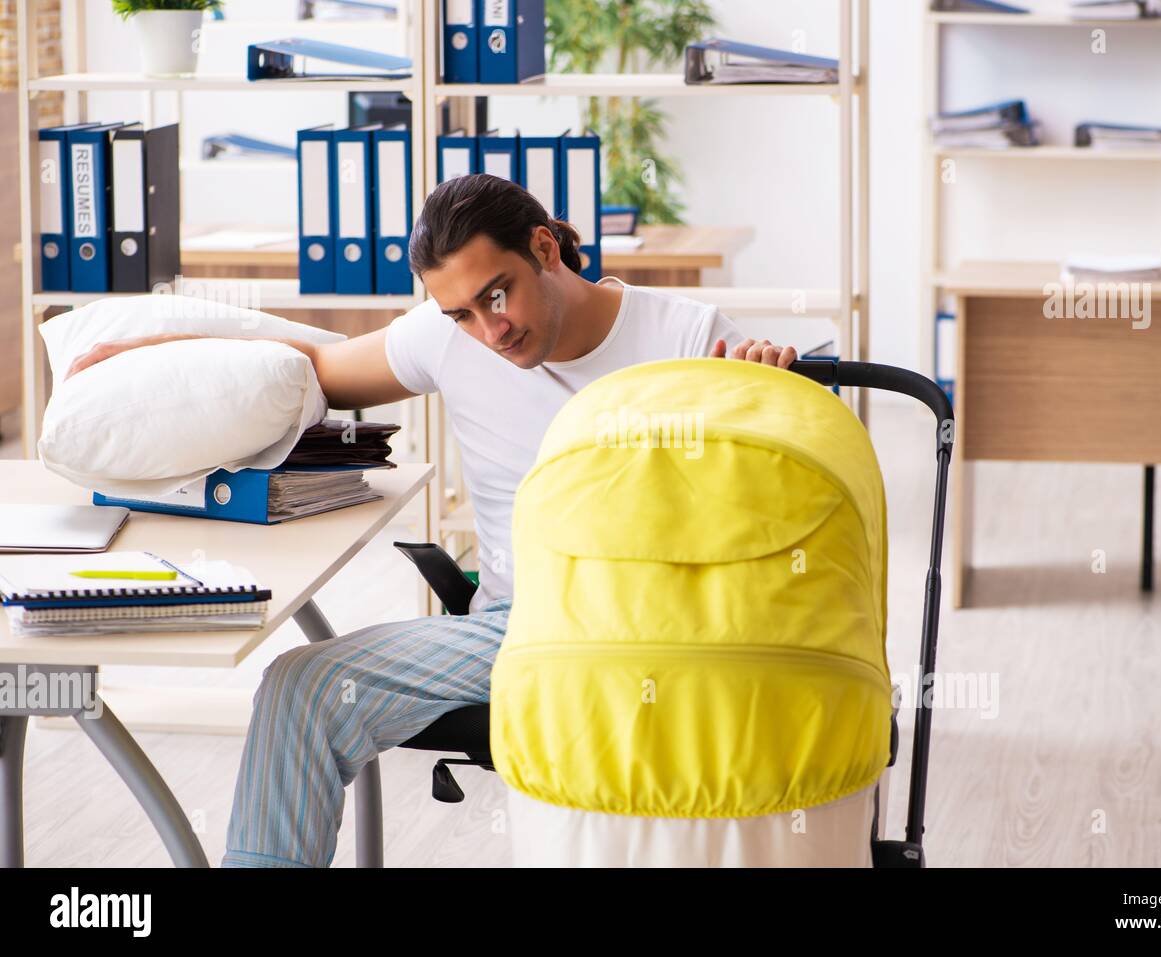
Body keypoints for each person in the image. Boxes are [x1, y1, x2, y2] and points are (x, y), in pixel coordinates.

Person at [68, 173, 797, 867]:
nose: (491, 330)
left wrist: (769, 392)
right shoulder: (451, 337)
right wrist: (140, 356)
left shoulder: (691, 338)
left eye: (497, 294)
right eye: (462, 314)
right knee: (300, 689)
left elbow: (778, 503)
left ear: (545, 249)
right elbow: (306, 365)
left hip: (661, 632)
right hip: (519, 627)